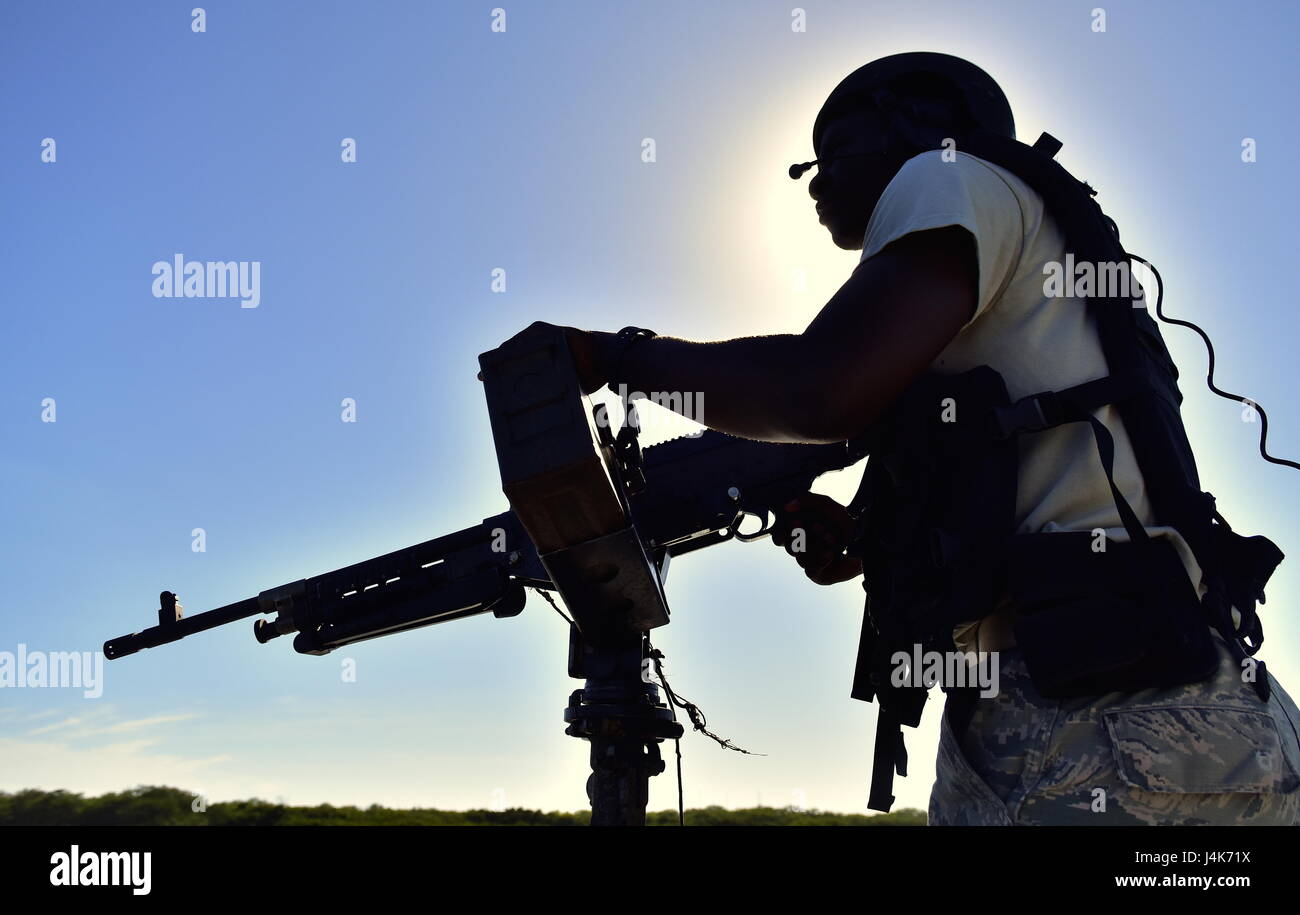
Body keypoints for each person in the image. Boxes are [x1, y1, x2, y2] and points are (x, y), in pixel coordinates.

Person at [502, 52, 1300, 825]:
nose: (814, 181)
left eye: (834, 152)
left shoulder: (945, 174)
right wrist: (860, 539)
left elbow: (819, 391)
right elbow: (1003, 476)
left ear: (913, 125)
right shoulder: (1027, 275)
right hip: (1161, 704)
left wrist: (612, 356)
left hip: (1103, 719)